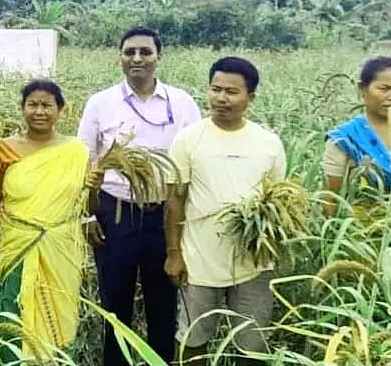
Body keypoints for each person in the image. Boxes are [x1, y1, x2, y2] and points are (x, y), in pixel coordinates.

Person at [76, 27, 201, 366]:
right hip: (113, 215)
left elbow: (195, 158)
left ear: (158, 57)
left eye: (145, 52)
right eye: (129, 52)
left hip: (165, 217)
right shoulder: (100, 103)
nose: (137, 59)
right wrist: (86, 216)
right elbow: (83, 163)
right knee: (114, 307)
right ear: (120, 57)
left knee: (164, 305)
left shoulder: (183, 103)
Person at [164, 57, 285, 366]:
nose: (221, 98)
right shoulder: (188, 138)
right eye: (215, 89)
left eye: (232, 92)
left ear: (250, 98)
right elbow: (175, 199)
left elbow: (278, 201)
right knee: (193, 340)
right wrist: (174, 253)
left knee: (252, 343)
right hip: (200, 259)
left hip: (254, 261)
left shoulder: (268, 143)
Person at [0, 78, 91, 362]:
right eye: (33, 105)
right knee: (13, 317)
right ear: (22, 109)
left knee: (61, 317)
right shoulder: (3, 150)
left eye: (47, 105)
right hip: (19, 246)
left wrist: (96, 186)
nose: (39, 111)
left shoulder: (77, 151)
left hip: (61, 249)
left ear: (61, 110)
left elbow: (88, 205)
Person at [322, 56, 391, 217]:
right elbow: (331, 200)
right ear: (362, 89)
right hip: (369, 229)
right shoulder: (345, 139)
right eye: (384, 88)